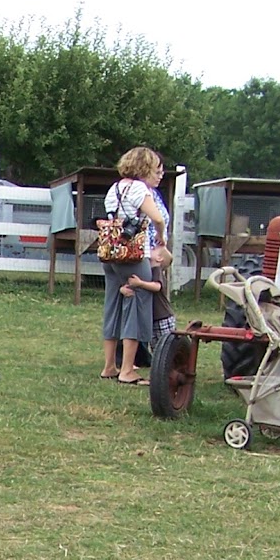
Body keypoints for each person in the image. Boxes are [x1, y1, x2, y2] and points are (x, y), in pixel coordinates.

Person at [99, 146, 172, 385]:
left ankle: (109, 365)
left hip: (111, 254)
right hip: (133, 254)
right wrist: (161, 236)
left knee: (112, 307)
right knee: (137, 306)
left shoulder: (115, 188)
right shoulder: (140, 188)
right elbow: (157, 218)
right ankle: (127, 370)